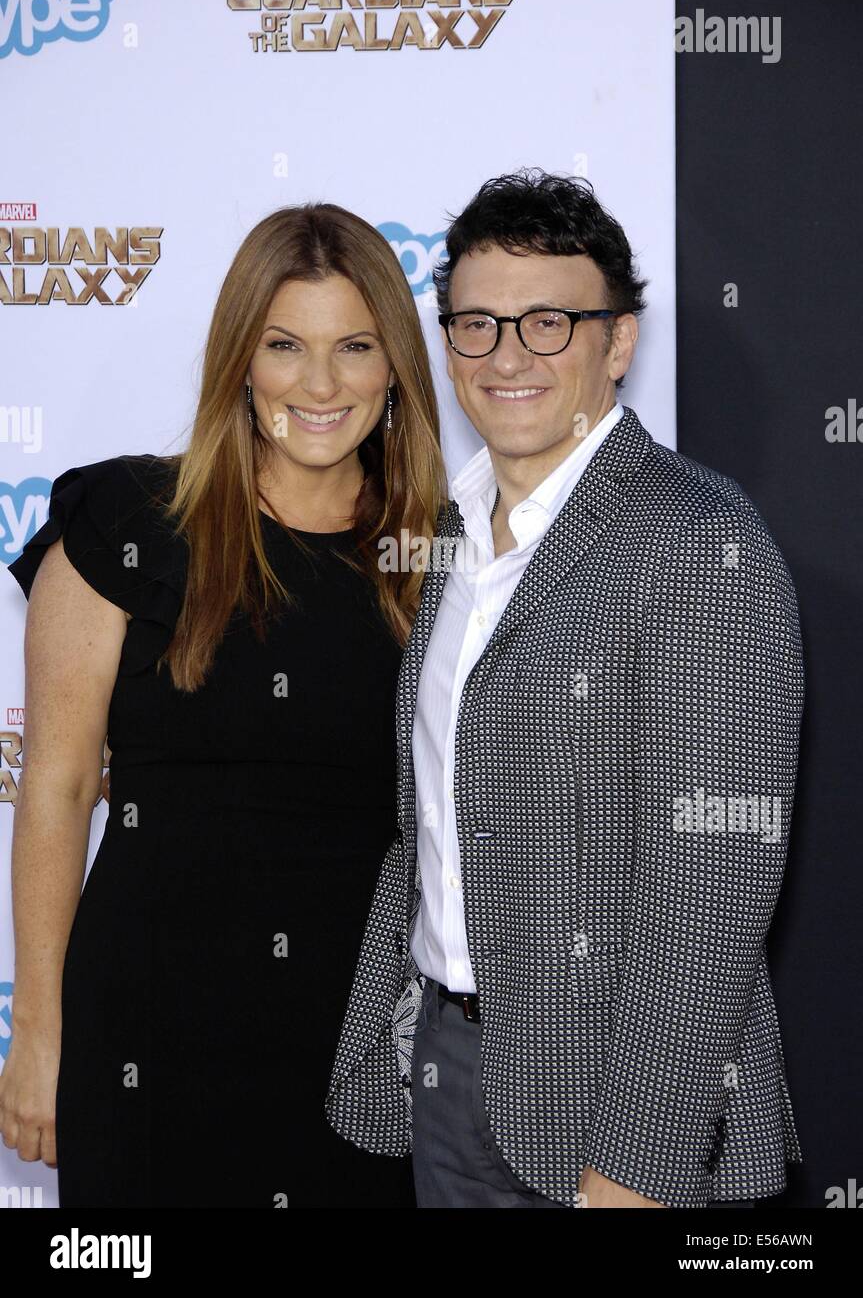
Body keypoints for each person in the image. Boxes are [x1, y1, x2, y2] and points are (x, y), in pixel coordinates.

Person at [327, 170, 805, 1209]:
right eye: (477, 324)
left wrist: (633, 1169)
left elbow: (709, 893)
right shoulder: (448, 532)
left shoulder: (696, 543)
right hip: (449, 1080)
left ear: (617, 343)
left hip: (609, 1116)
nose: (506, 356)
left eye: (548, 323)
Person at [2, 202, 446, 1207]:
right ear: (240, 359)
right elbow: (60, 786)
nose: (320, 384)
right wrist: (40, 1029)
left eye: (355, 346)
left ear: (394, 368)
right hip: (149, 1032)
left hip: (361, 1048)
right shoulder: (125, 523)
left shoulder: (439, 560)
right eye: (285, 345)